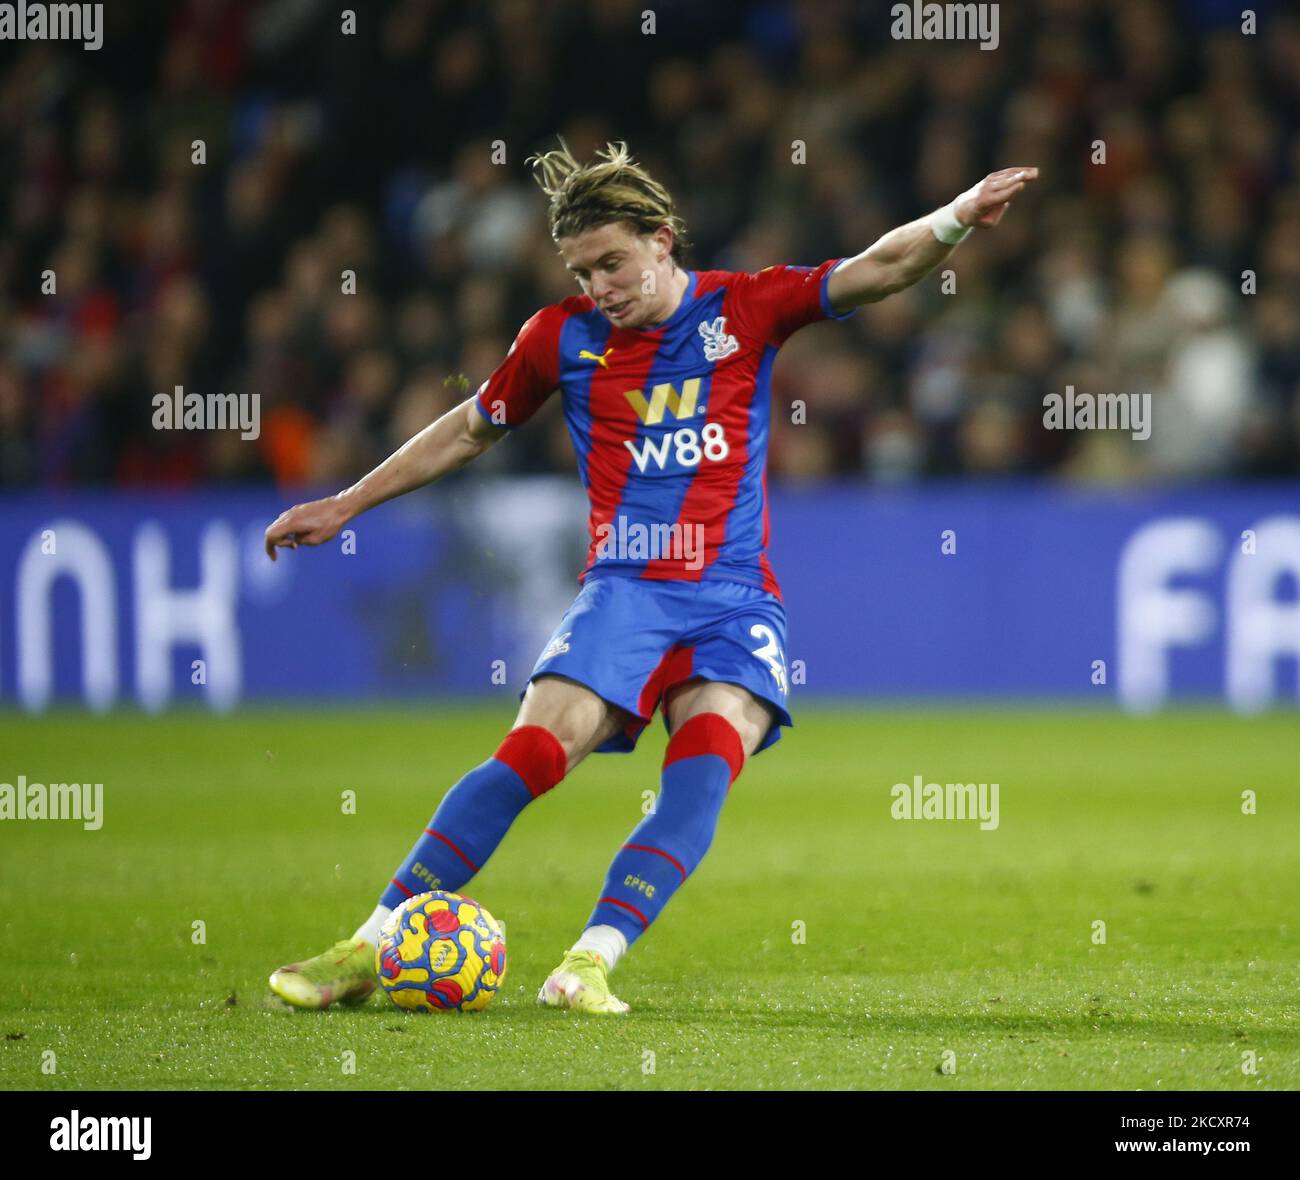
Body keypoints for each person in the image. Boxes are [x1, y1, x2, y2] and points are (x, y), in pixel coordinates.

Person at [263, 141, 1037, 1013]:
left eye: (612, 263)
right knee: (533, 753)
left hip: (734, 596)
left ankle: (587, 962)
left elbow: (880, 269)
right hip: (626, 589)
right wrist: (349, 502)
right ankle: (368, 946)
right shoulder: (559, 338)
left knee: (705, 766)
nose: (599, 287)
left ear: (662, 241)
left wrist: (956, 215)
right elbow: (469, 429)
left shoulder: (745, 308)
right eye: (583, 270)